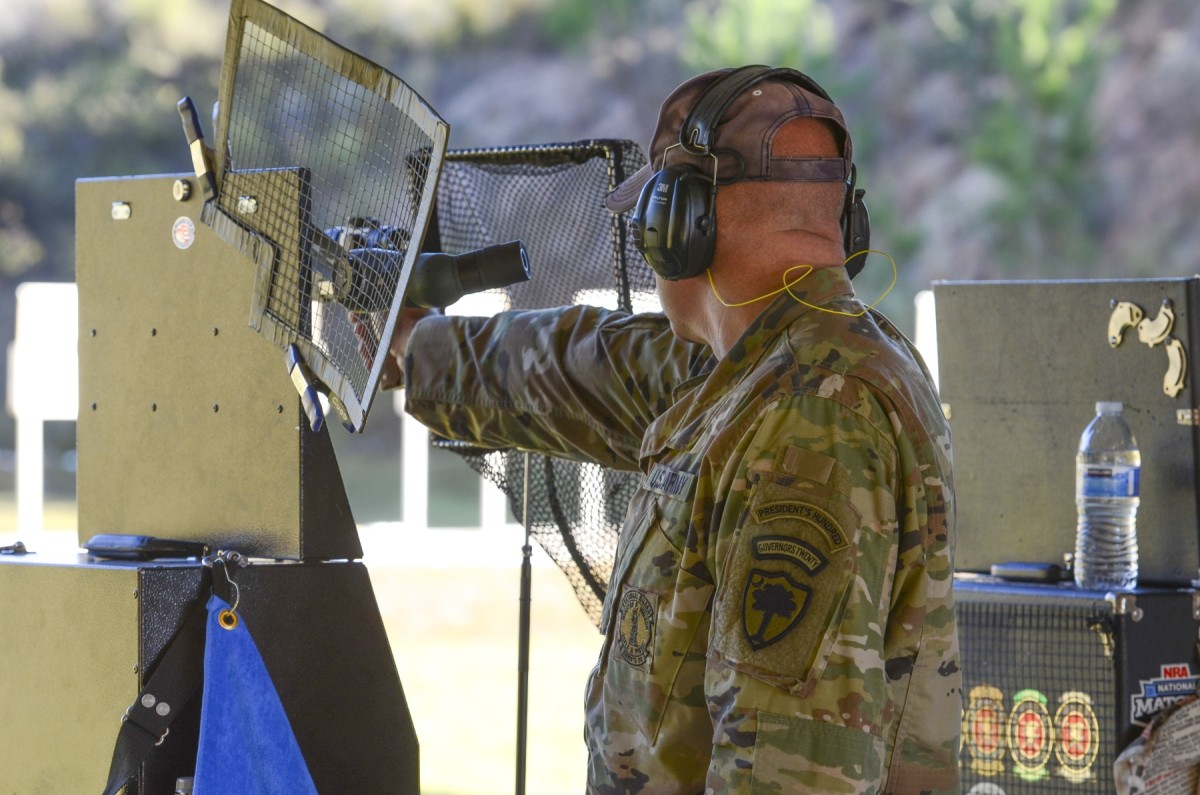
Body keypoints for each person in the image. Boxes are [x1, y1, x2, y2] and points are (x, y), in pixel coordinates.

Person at [371, 65, 961, 793]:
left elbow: (789, 769)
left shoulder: (813, 417)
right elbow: (579, 366)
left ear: (684, 226)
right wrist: (412, 344)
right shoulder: (754, 370)